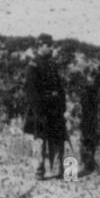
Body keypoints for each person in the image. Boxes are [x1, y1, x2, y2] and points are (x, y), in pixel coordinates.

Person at [23, 34, 67, 180]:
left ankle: (63, 171)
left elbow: (59, 87)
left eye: (51, 45)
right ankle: (39, 171)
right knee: (40, 140)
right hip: (41, 109)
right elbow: (31, 91)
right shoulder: (33, 65)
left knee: (59, 139)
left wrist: (62, 105)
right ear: (40, 46)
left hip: (54, 108)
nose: (51, 48)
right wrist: (38, 111)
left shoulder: (52, 64)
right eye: (48, 45)